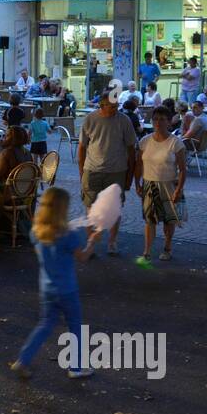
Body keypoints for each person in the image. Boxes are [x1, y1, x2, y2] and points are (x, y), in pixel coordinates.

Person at [9, 187, 100, 380]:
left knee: (45, 324)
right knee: (75, 326)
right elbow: (82, 257)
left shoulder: (36, 232)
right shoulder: (68, 236)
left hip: (46, 288)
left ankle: (23, 359)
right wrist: (92, 242)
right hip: (67, 289)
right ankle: (76, 367)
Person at [76, 94, 137, 257]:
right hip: (92, 170)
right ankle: (91, 243)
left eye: (117, 106)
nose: (116, 109)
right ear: (102, 105)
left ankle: (112, 241)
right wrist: (82, 171)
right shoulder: (90, 119)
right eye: (112, 106)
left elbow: (132, 149)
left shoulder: (123, 120)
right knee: (90, 208)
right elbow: (82, 147)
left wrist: (130, 176)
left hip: (117, 171)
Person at [135, 107, 186, 263]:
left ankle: (167, 247)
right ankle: (147, 251)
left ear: (169, 122)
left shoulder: (176, 143)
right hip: (149, 184)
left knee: (168, 220)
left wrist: (178, 190)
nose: (158, 122)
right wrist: (137, 182)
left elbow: (183, 170)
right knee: (150, 220)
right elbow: (138, 164)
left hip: (169, 184)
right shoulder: (145, 141)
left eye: (162, 119)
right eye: (155, 119)